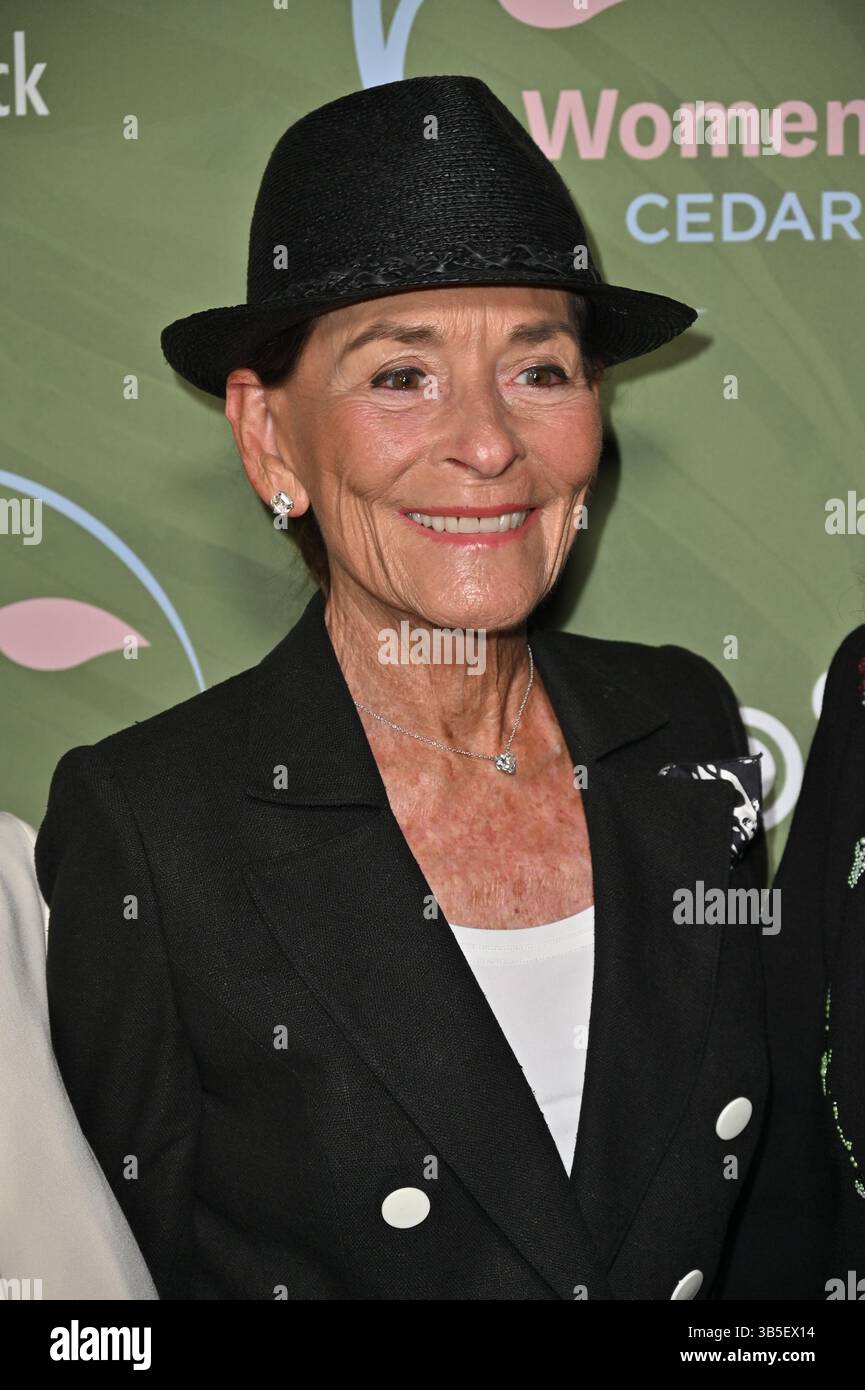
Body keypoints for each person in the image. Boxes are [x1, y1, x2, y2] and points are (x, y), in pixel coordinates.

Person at [35, 74, 774, 1301]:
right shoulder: (152, 827)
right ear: (271, 439)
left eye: (540, 371)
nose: (487, 443)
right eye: (400, 377)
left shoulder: (684, 728)